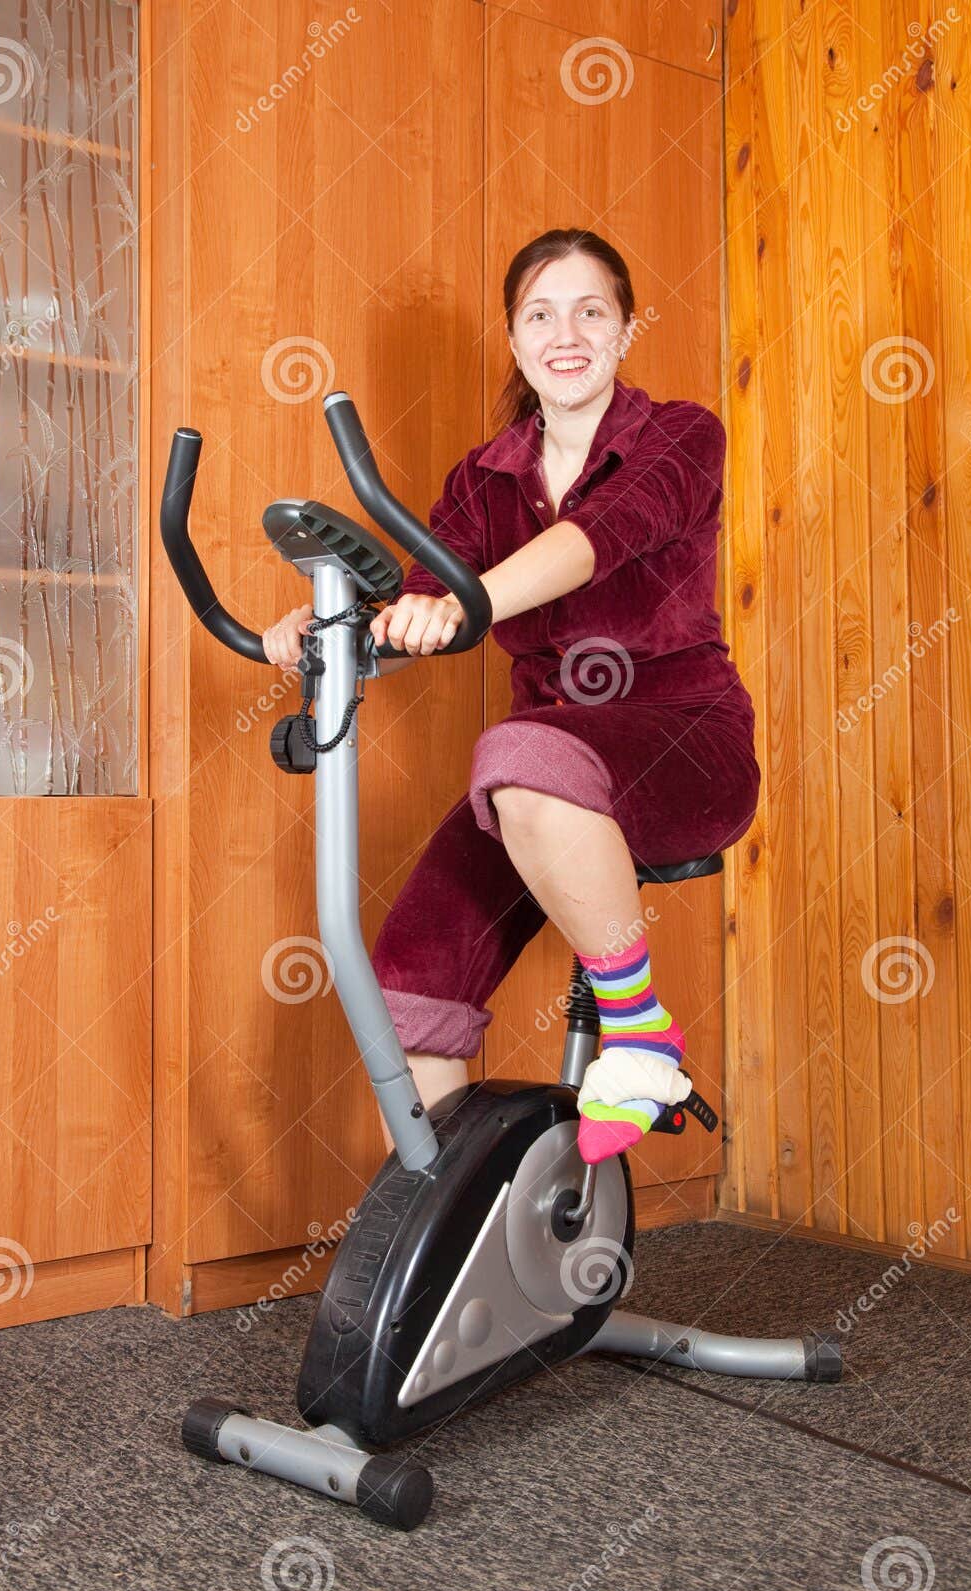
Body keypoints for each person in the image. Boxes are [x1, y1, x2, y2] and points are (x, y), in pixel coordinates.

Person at [261, 227, 760, 1164]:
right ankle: (455, 1241)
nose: (564, 333)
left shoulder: (683, 435)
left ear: (624, 330)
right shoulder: (482, 480)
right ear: (515, 335)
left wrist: (458, 599)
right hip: (539, 775)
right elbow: (422, 610)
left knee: (517, 751)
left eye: (590, 311)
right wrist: (326, 632)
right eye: (541, 314)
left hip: (688, 745)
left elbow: (593, 543)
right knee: (407, 976)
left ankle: (642, 1033)